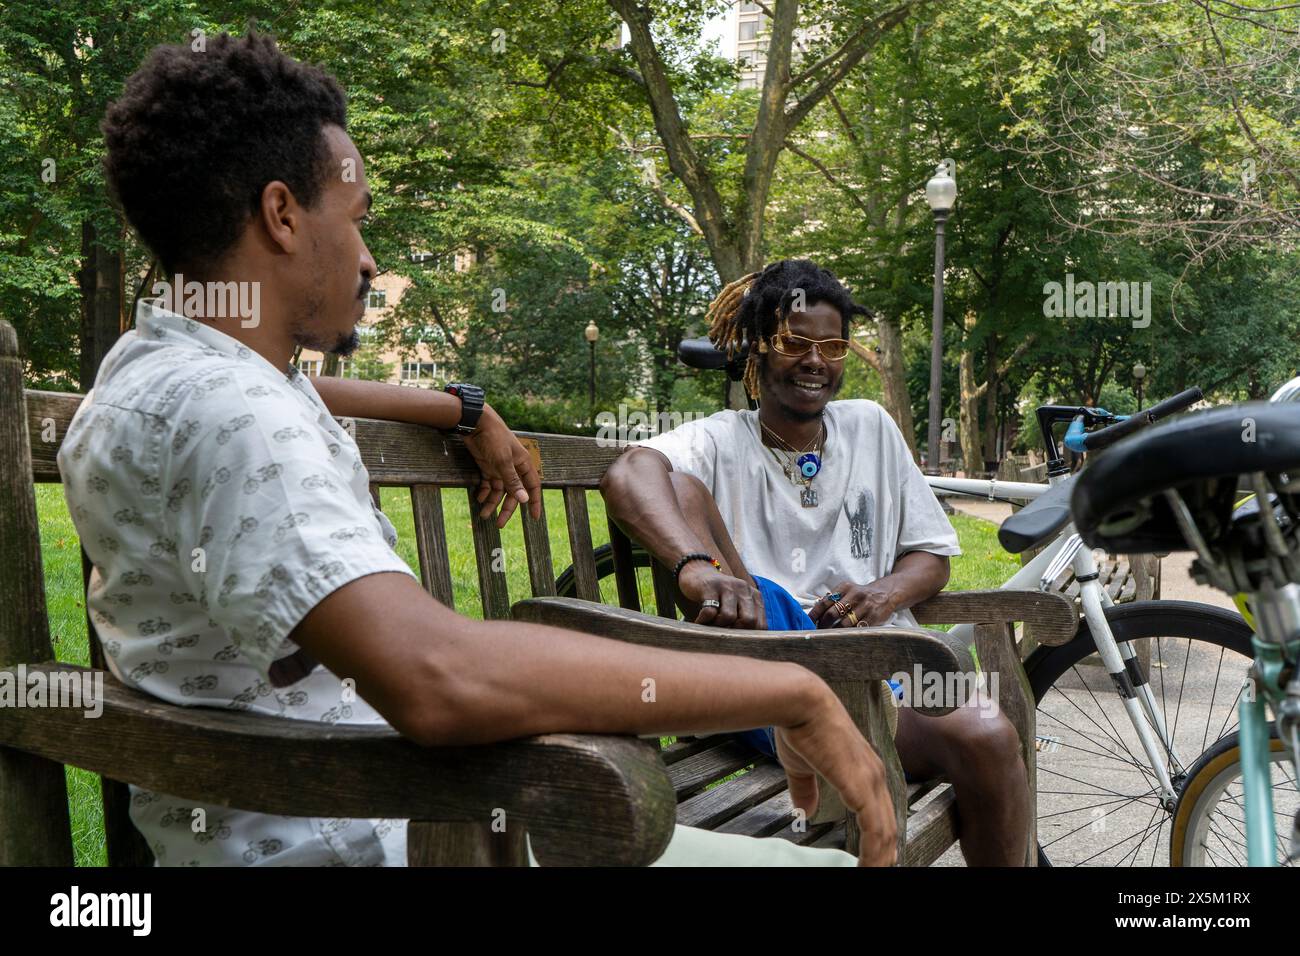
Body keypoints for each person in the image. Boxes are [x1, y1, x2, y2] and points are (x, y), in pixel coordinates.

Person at [58, 31, 896, 867]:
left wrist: (460, 410)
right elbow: (438, 677)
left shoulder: (165, 375)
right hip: (379, 838)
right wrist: (791, 691)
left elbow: (296, 396)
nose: (367, 256)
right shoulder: (229, 413)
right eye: (355, 221)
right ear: (281, 216)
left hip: (400, 816)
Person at [602, 260, 1031, 866]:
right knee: (984, 738)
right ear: (756, 349)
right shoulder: (720, 439)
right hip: (772, 677)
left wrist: (880, 595)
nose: (815, 360)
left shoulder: (870, 428)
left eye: (831, 345)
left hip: (879, 658)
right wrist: (697, 570)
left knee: (988, 736)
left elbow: (932, 556)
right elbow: (628, 472)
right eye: (793, 341)